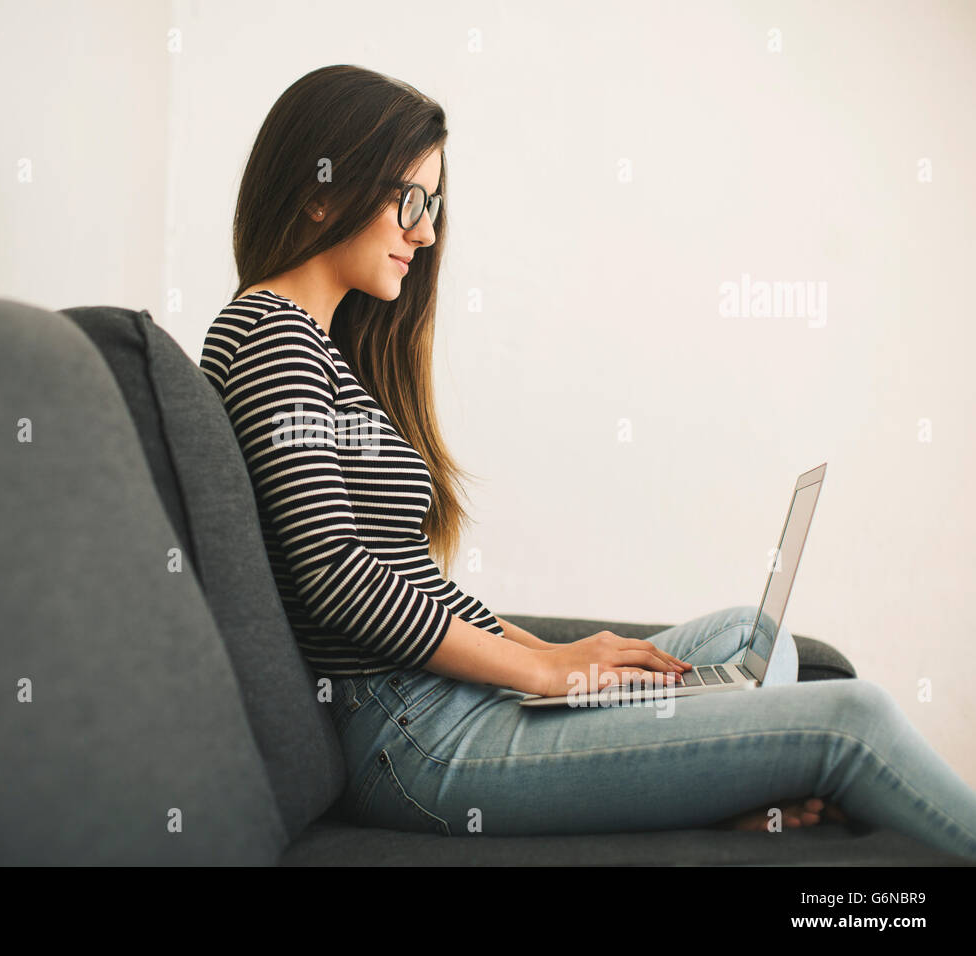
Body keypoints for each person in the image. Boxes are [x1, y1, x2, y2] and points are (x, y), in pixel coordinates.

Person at [200, 64, 976, 858]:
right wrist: (544, 674)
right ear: (320, 192)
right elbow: (335, 575)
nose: (426, 232)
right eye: (409, 200)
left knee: (753, 637)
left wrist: (546, 652)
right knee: (855, 719)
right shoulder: (272, 334)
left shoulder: (315, 348)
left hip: (433, 704)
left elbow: (404, 578)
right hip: (411, 741)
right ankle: (730, 785)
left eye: (432, 206)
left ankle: (719, 792)